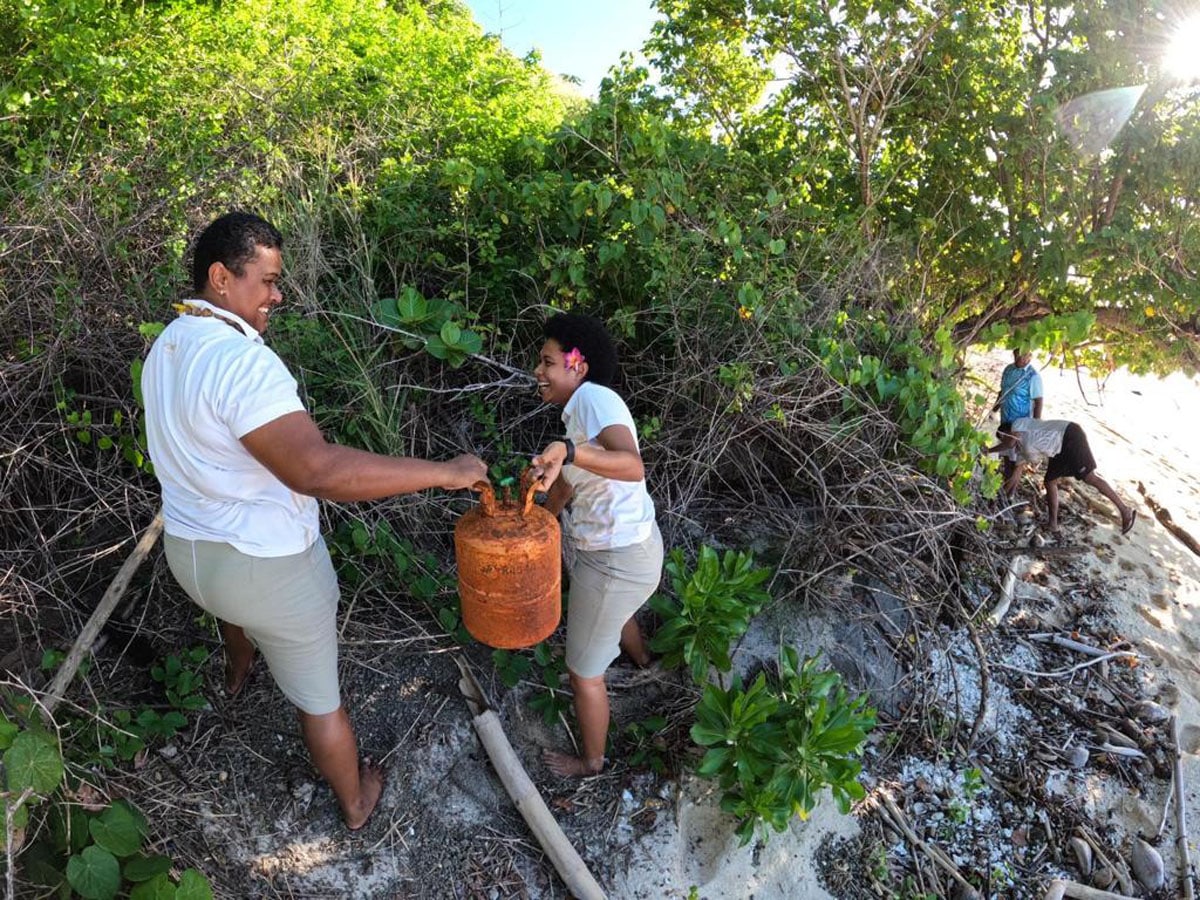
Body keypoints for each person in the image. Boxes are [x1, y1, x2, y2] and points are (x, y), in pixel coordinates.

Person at [142, 211, 487, 829]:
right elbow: (317, 471)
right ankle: (356, 802)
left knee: (237, 620)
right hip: (267, 573)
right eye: (268, 281)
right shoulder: (242, 364)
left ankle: (239, 667)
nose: (278, 296)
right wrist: (446, 472)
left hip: (192, 558)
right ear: (222, 278)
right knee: (320, 700)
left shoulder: (167, 345)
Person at [528, 313, 663, 777]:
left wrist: (568, 448)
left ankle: (592, 760)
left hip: (616, 561)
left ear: (577, 366)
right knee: (616, 610)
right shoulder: (581, 411)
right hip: (634, 552)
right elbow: (565, 489)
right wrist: (530, 521)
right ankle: (643, 661)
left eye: (547, 362)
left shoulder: (593, 399)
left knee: (584, 672)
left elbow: (630, 464)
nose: (538, 372)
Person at [988, 417, 1136, 535]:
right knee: (1049, 481)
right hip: (1057, 450)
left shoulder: (1018, 425)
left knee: (1089, 477)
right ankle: (1053, 525)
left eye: (1004, 436)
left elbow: (1014, 444)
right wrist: (1000, 492)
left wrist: (990, 450)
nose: (1006, 441)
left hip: (1069, 435)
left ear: (1009, 431)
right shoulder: (1020, 447)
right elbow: (1016, 470)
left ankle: (1124, 509)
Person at [992, 348, 1044, 480]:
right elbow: (1003, 391)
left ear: (1030, 356)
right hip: (1006, 418)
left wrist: (1035, 424)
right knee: (1006, 453)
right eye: (1017, 355)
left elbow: (1038, 401)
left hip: (1021, 422)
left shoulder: (1033, 377)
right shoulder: (1009, 370)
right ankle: (1005, 485)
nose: (1020, 358)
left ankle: (1009, 492)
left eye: (1024, 355)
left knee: (1016, 458)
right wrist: (994, 409)